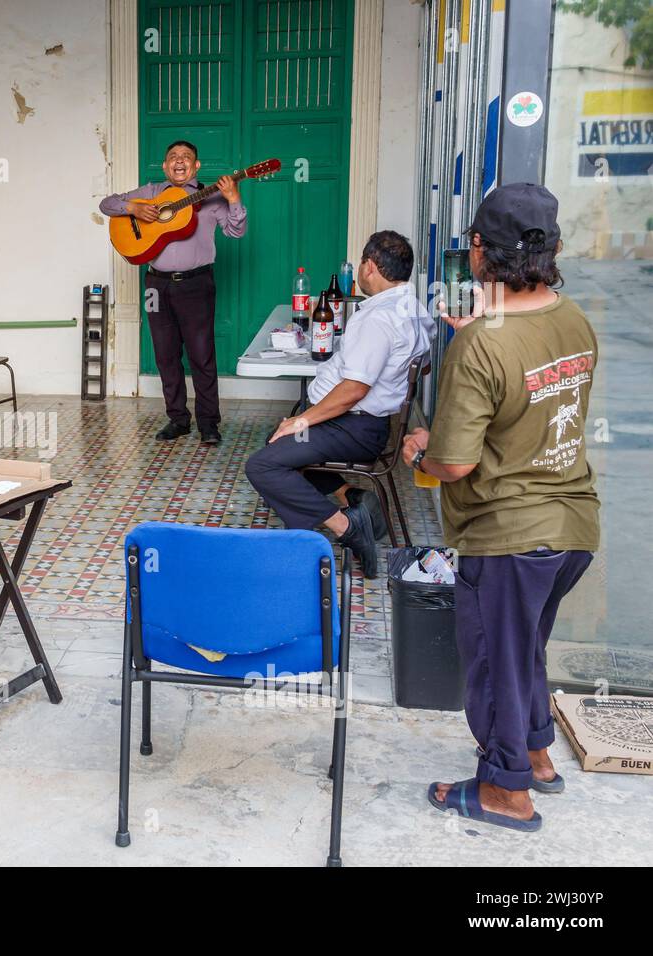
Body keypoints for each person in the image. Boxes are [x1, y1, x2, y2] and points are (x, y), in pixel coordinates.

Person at [407, 183, 599, 833]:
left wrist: (418, 455)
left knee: (494, 661)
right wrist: (478, 340)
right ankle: (539, 755)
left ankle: (506, 791)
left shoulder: (481, 342)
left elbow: (454, 464)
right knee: (526, 652)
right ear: (553, 250)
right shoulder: (572, 318)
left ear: (481, 251)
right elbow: (530, 390)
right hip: (573, 525)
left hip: (511, 535)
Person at [244, 231, 434, 578]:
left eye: (362, 262)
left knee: (263, 466)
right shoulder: (413, 308)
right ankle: (351, 495)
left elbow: (353, 390)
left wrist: (302, 422)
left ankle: (346, 527)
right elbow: (425, 364)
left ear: (371, 266)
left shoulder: (378, 319)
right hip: (363, 423)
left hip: (351, 426)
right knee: (276, 444)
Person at [99, 140, 247, 445]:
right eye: (173, 157)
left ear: (196, 166)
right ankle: (178, 419)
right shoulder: (150, 193)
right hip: (156, 284)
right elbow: (106, 204)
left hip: (196, 284)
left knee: (201, 356)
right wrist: (133, 208)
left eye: (187, 157)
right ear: (166, 166)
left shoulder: (213, 197)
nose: (179, 161)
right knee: (166, 355)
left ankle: (208, 423)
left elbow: (236, 231)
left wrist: (234, 199)